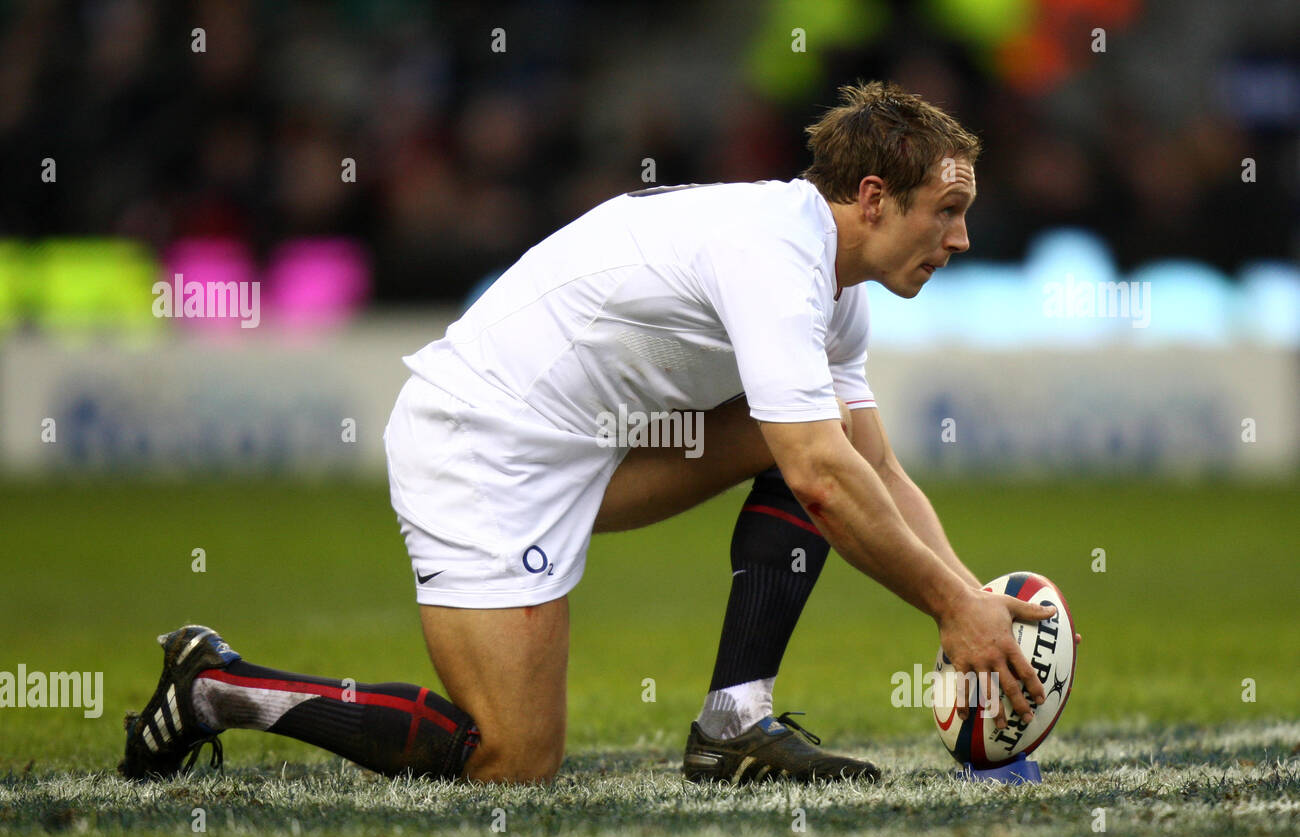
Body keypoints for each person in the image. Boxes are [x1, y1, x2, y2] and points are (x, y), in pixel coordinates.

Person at [119, 81, 1077, 787]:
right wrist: (953, 607)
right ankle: (218, 688)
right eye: (946, 212)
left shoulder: (833, 288)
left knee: (815, 442)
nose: (959, 240)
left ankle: (733, 724)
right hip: (480, 448)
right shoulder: (773, 256)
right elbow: (825, 478)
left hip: (592, 449)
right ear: (873, 198)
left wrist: (970, 597)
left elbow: (875, 468)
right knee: (509, 762)